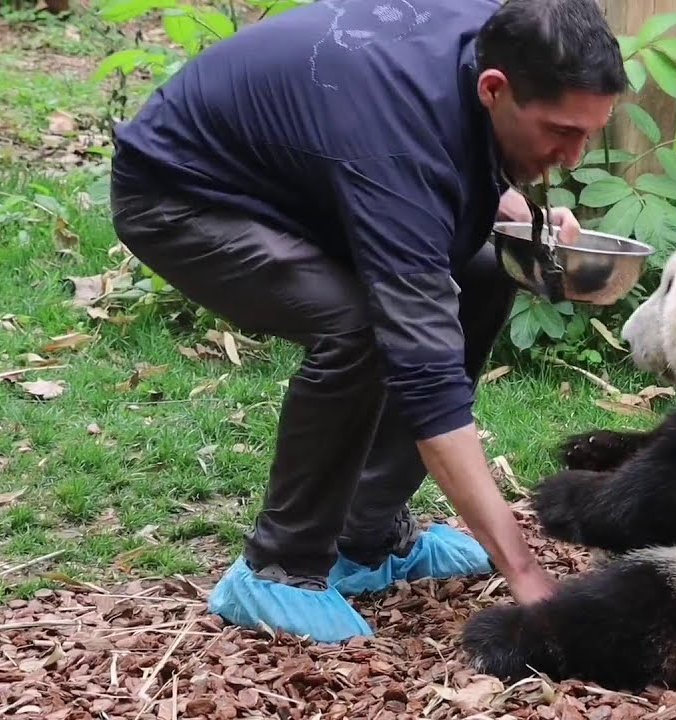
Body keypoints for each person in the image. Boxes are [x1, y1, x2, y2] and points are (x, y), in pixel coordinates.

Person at [107, 0, 627, 643]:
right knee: (357, 328)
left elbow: (456, 145)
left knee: (491, 268)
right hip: (181, 196)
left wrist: (516, 211)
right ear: (495, 89)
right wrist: (522, 571)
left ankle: (366, 537)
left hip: (308, 179)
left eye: (587, 133)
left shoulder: (505, 33)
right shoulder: (397, 148)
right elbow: (427, 376)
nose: (572, 157)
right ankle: (277, 569)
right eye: (559, 132)